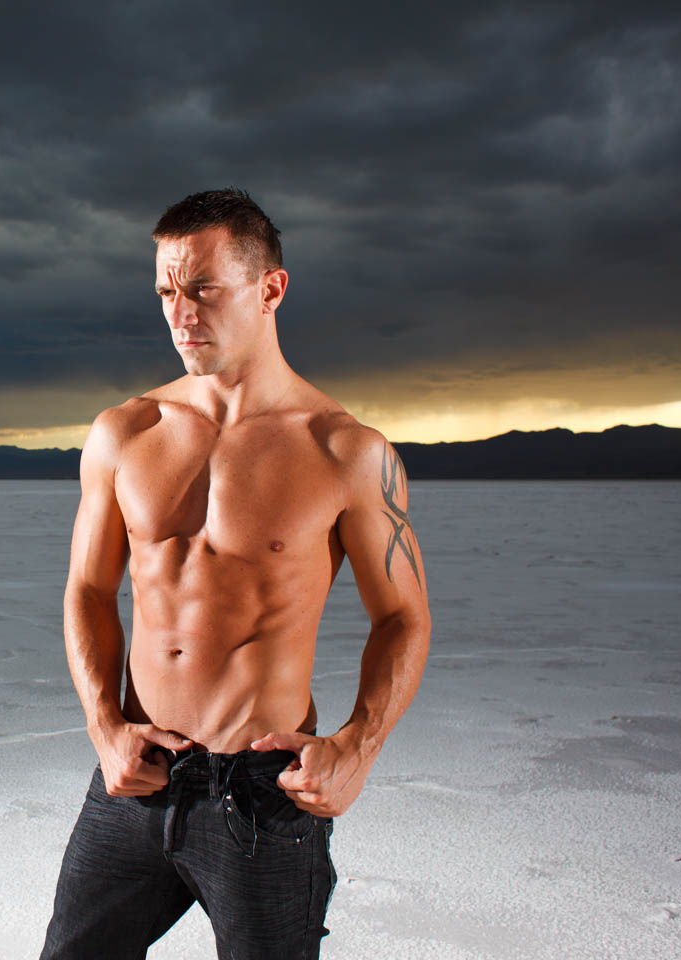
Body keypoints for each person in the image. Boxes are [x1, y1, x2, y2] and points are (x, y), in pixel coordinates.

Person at [39, 188, 432, 959]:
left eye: (204, 290)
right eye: (166, 292)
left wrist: (358, 747)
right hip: (139, 775)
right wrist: (103, 727)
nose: (181, 313)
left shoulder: (345, 452)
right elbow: (88, 590)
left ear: (270, 288)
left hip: (264, 796)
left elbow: (404, 618)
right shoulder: (125, 432)